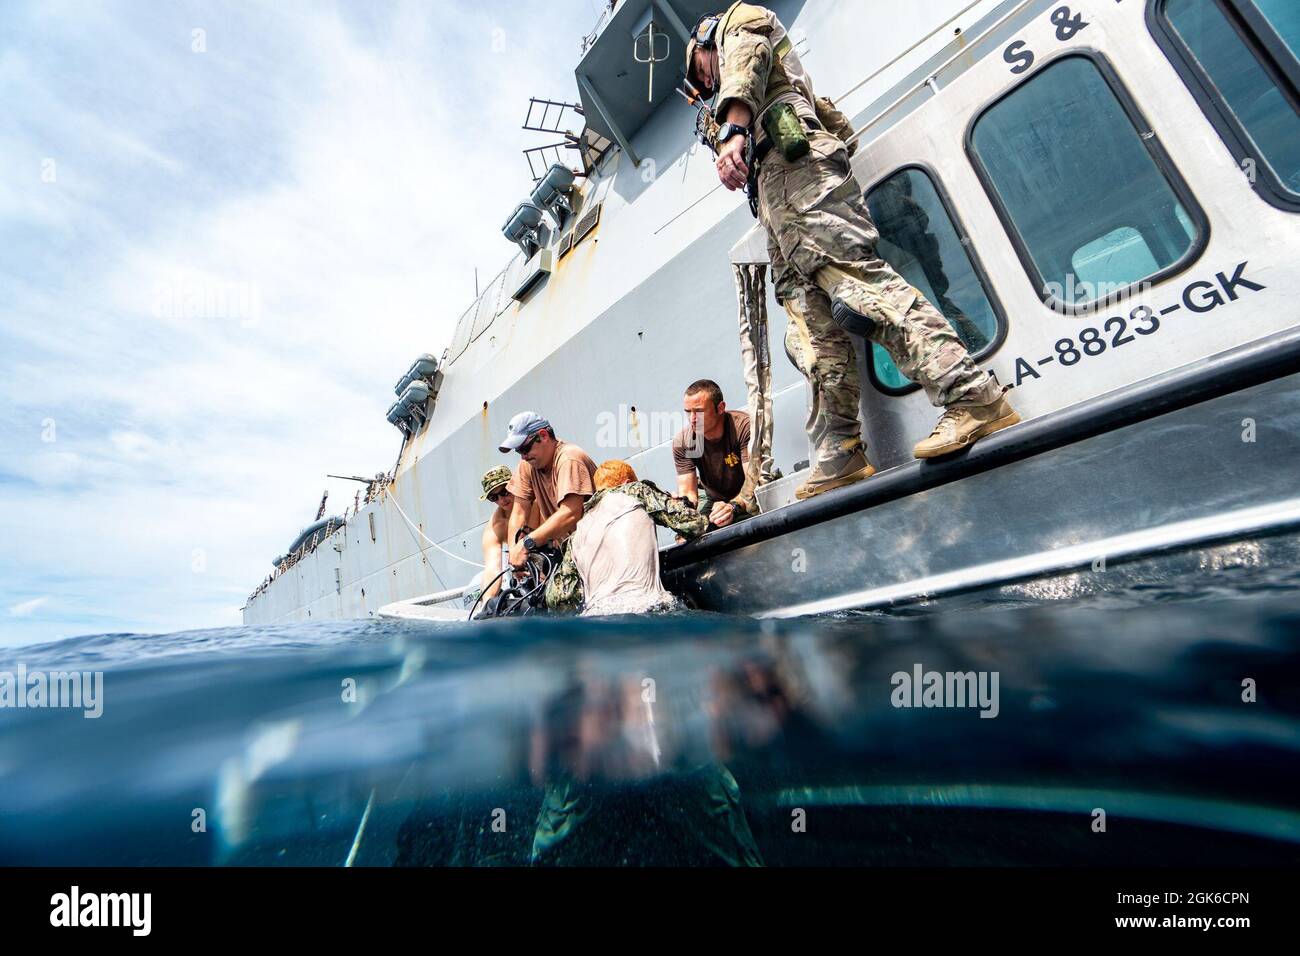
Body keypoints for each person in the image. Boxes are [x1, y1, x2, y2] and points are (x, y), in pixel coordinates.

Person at [684, 4, 1019, 501]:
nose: (706, 85)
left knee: (858, 287)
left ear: (708, 42)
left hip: (799, 177)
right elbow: (839, 126)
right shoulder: (771, 92)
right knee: (812, 332)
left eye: (701, 72)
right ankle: (840, 449)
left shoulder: (741, 21)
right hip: (777, 200)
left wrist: (735, 127)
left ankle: (971, 395)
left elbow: (748, 61)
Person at [546, 460, 708, 615]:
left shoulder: (577, 534)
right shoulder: (636, 490)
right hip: (645, 607)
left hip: (598, 616)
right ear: (627, 482)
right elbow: (694, 524)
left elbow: (559, 598)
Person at [498, 411, 597, 571]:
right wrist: (515, 553)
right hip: (574, 553)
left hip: (600, 549)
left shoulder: (569, 458)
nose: (523, 456)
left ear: (543, 435)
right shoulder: (527, 466)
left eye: (525, 448)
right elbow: (518, 512)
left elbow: (570, 513)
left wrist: (527, 544)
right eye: (518, 451)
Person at [673, 379, 754, 528]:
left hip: (747, 491)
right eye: (688, 412)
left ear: (720, 407)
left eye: (699, 411)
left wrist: (733, 507)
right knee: (687, 533)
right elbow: (689, 494)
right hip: (711, 496)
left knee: (756, 524)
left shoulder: (744, 427)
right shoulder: (683, 442)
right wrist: (680, 506)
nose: (692, 419)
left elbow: (753, 482)